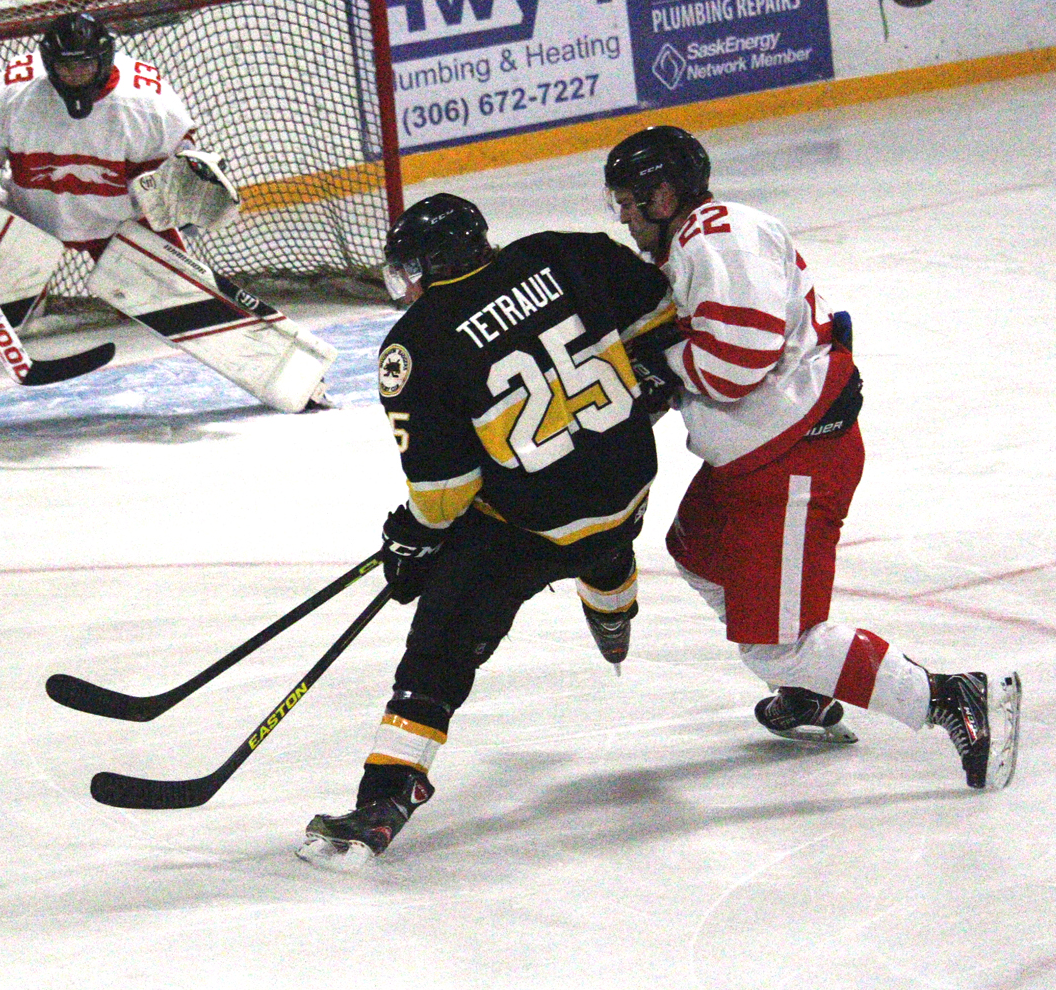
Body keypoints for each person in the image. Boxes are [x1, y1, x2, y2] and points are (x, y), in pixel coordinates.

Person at [602, 125, 1020, 789]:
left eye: (634, 199)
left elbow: (738, 362)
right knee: (698, 552)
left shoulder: (719, 235)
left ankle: (951, 697)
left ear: (670, 191)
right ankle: (810, 686)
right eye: (618, 202)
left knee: (777, 642)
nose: (624, 214)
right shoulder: (688, 244)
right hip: (756, 455)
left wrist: (651, 366)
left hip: (794, 456)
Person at [296, 193, 677, 870]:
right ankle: (614, 609)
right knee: (600, 524)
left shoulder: (416, 345)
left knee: (439, 641)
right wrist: (647, 377)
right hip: (630, 485)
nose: (406, 283)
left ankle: (388, 791)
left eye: (411, 267)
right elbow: (657, 309)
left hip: (539, 525)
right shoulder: (563, 250)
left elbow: (444, 495)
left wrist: (414, 538)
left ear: (436, 264)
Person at [0, 12, 328, 438]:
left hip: (120, 219)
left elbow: (182, 172)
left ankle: (297, 378)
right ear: (49, 62)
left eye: (84, 67)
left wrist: (188, 188)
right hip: (34, 214)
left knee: (187, 295)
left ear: (105, 60)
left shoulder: (148, 103)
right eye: (65, 67)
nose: (74, 76)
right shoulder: (17, 89)